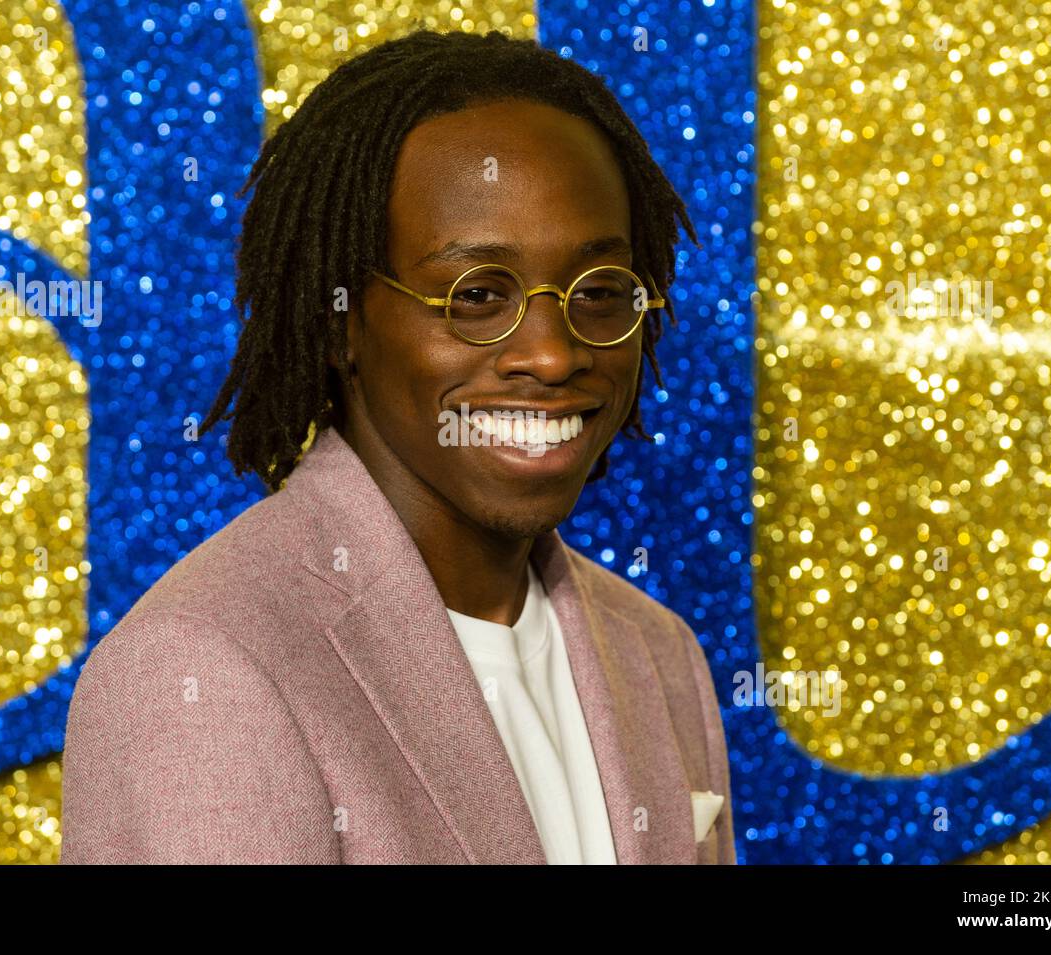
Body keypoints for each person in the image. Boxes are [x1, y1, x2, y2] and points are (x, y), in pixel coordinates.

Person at [61, 28, 734, 864]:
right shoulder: (204, 671)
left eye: (598, 291)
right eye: (477, 294)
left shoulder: (657, 650)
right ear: (343, 320)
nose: (555, 353)